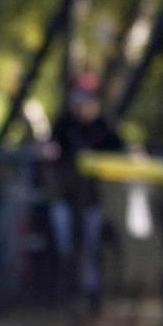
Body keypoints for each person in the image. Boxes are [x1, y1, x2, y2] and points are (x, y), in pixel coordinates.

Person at [43, 71, 125, 311]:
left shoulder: (103, 126)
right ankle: (63, 297)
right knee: (66, 248)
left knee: (91, 250)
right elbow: (51, 148)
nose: (80, 103)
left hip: (94, 200)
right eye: (78, 97)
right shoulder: (64, 123)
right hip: (65, 198)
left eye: (86, 98)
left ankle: (92, 300)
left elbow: (123, 150)